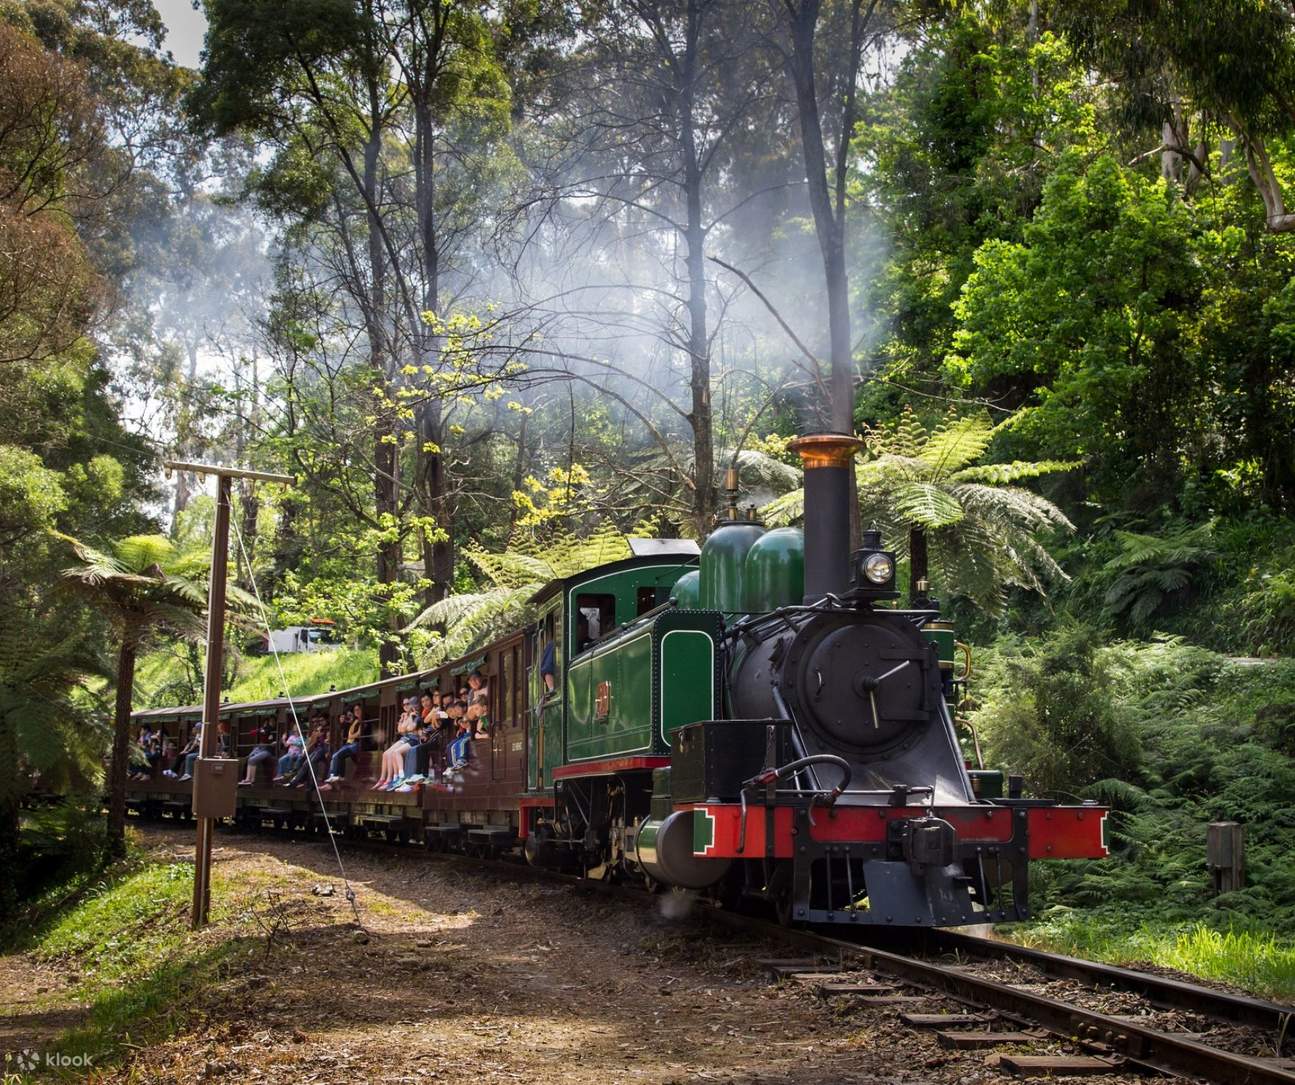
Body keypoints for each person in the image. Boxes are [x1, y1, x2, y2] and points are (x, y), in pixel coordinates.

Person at [372, 697, 419, 790]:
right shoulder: (405, 715)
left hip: (411, 739)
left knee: (393, 753)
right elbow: (400, 730)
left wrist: (405, 720)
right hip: (405, 738)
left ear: (412, 705)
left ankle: (394, 778)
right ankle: (384, 779)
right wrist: (402, 720)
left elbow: (406, 728)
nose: (405, 706)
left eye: (407, 704)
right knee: (386, 753)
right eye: (404, 704)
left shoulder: (413, 715)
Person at [323, 705, 365, 784]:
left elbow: (359, 734)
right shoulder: (354, 721)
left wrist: (351, 735)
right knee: (338, 756)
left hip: (355, 744)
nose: (356, 711)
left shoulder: (362, 720)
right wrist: (342, 722)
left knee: (336, 755)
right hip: (349, 743)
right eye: (355, 710)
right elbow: (344, 728)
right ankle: (340, 776)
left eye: (358, 709)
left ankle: (333, 775)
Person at [289, 722, 329, 788]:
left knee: (312, 761)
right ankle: (295, 781)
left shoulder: (324, 733)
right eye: (317, 729)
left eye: (320, 730)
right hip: (317, 750)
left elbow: (324, 744)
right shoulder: (314, 734)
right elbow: (311, 743)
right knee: (306, 763)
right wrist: (306, 749)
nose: (318, 731)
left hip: (322, 750)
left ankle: (312, 783)